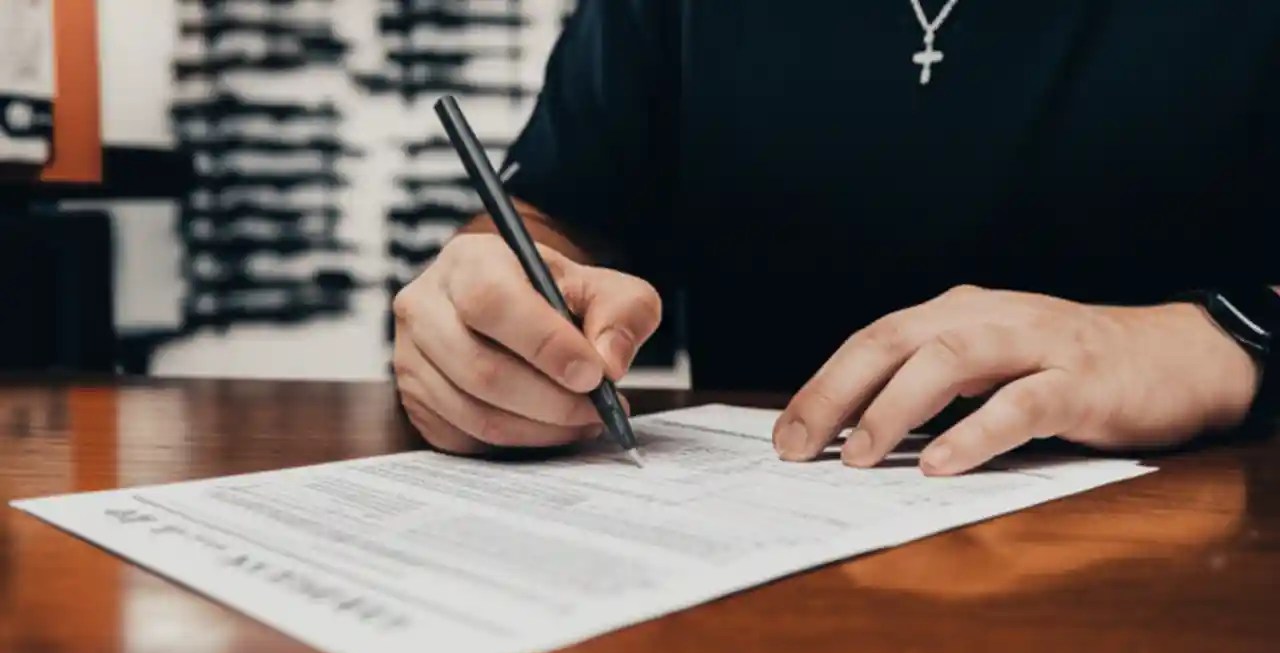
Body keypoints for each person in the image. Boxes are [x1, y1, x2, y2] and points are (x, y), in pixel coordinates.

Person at [391, 1, 1280, 475]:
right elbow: (557, 211)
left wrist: (1227, 339)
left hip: (1192, 562)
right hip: (754, 580)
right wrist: (488, 309)